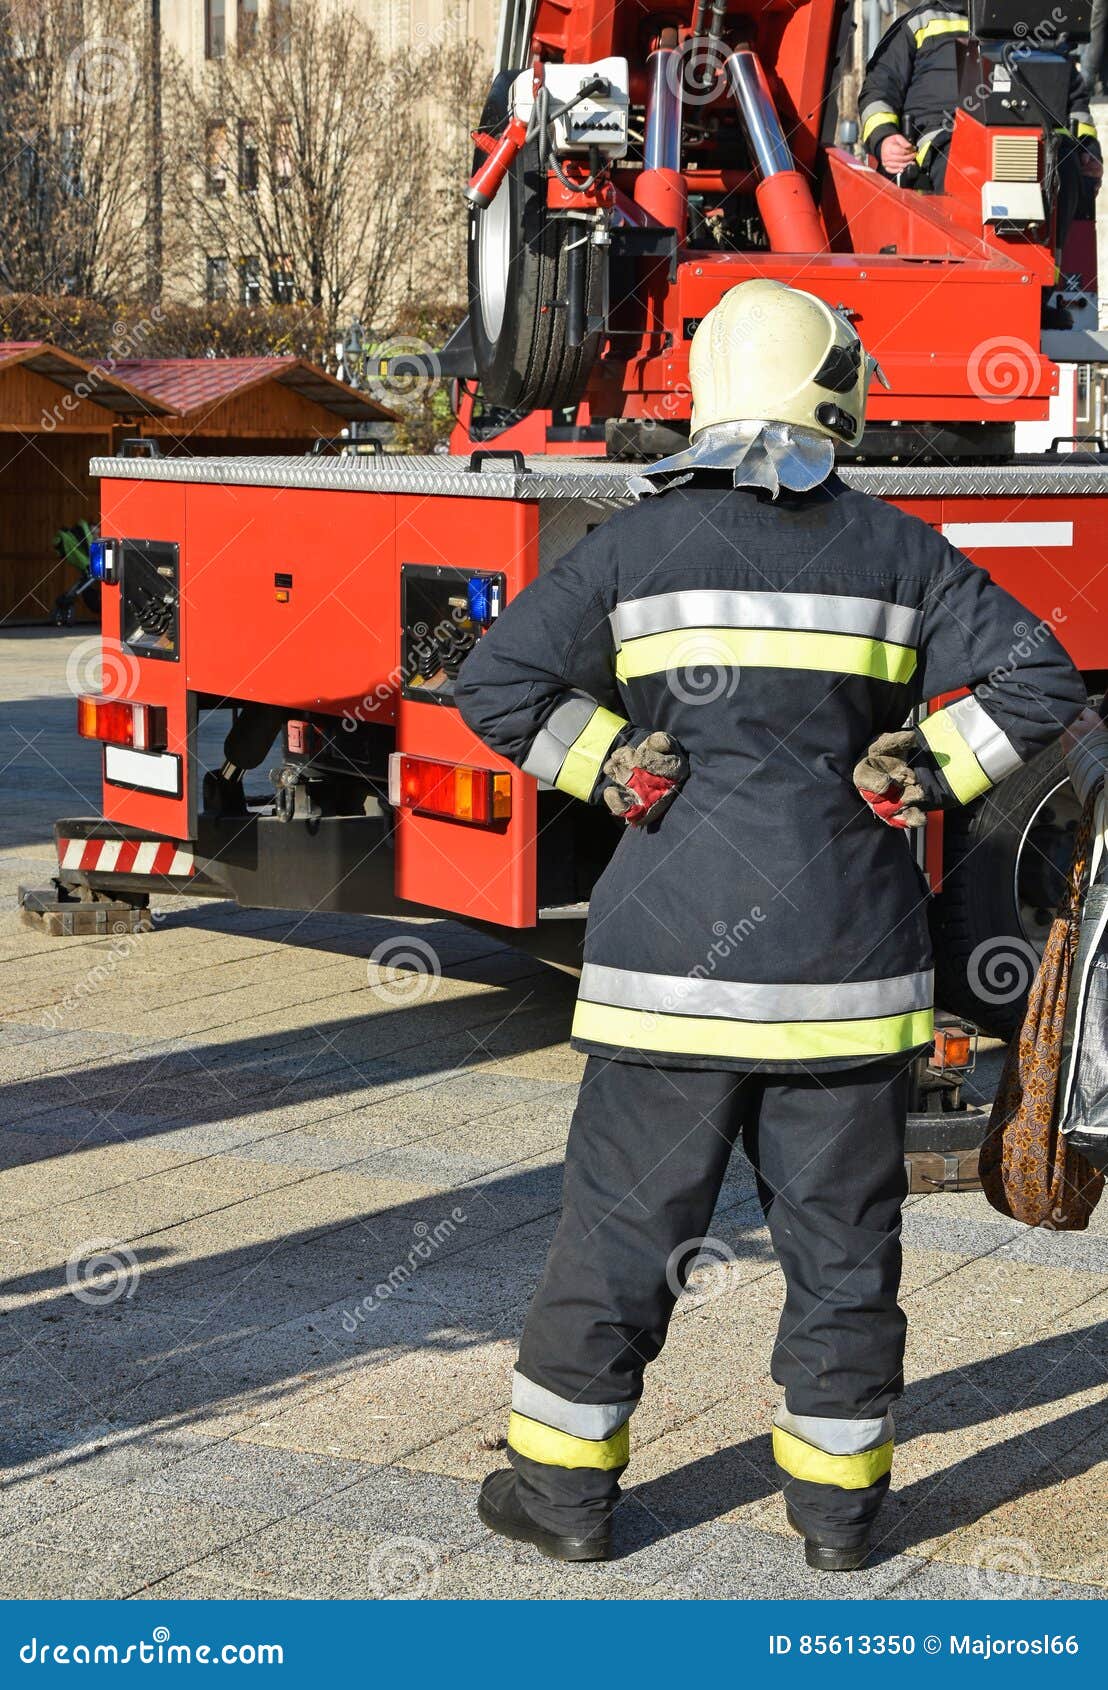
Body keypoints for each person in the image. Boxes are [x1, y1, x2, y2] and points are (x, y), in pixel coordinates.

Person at [454, 278, 1086, 1569]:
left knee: (622, 1234)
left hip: (665, 974)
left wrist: (616, 761)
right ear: (833, 392)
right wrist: (926, 768)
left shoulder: (634, 545)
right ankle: (842, 1518)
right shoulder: (894, 545)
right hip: (850, 971)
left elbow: (496, 679)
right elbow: (1040, 677)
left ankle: (566, 1497)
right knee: (845, 1250)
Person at [859, 0, 1100, 237]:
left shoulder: (1037, 21)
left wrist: (1087, 149)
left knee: (1067, 169)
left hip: (1040, 142)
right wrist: (885, 137)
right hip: (945, 141)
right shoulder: (918, 23)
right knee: (961, 172)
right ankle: (969, 266)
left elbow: (1073, 101)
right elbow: (878, 92)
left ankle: (1050, 269)